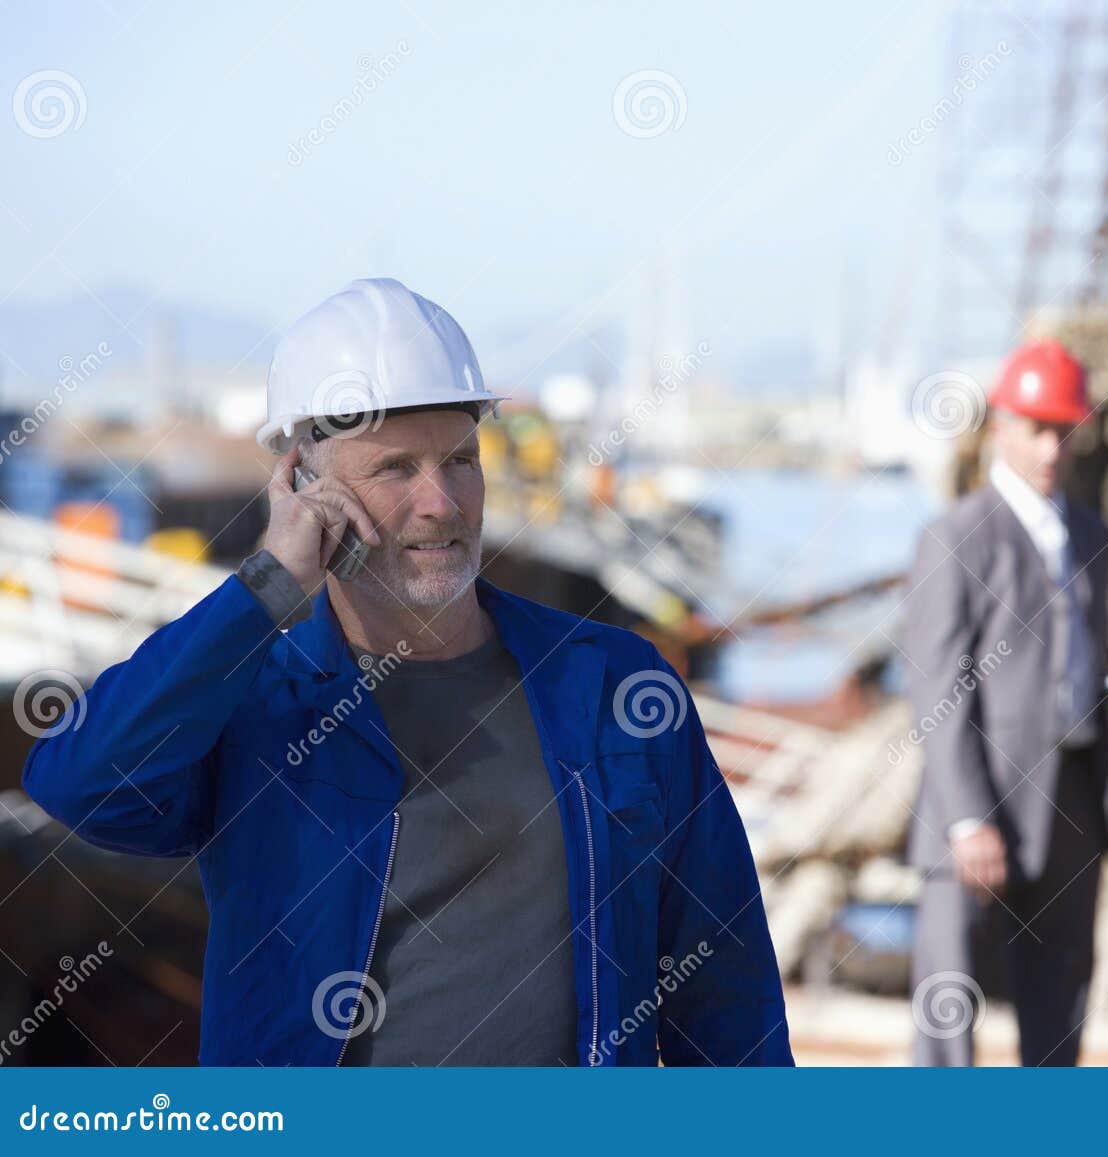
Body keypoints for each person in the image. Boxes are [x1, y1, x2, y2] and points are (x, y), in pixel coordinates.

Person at [23, 277, 791, 1067]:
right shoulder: (253, 702)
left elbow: (725, 984)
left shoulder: (612, 685)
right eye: (396, 469)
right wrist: (265, 588)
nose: (441, 502)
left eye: (460, 460)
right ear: (302, 486)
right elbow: (80, 784)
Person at [902, 339, 1108, 1066]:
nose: (1050, 446)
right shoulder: (957, 537)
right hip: (978, 807)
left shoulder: (1092, 534)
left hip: (1071, 796)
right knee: (950, 1010)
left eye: (1064, 429)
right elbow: (937, 685)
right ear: (999, 425)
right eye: (1035, 426)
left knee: (1059, 1008)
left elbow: (1087, 664)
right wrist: (969, 814)